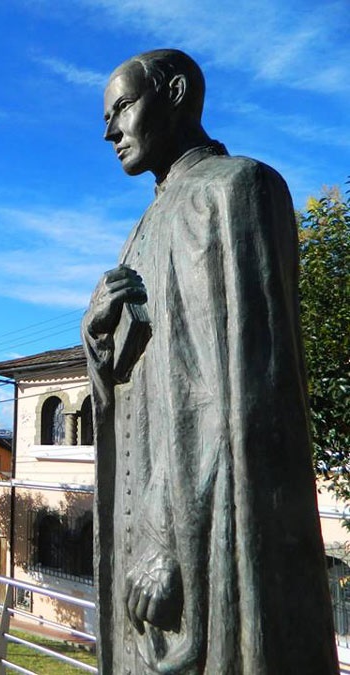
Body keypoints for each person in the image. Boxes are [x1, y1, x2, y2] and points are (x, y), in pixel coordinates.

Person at [82, 49, 338, 673]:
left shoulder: (237, 191)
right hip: (145, 529)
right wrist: (95, 336)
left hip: (196, 539)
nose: (109, 131)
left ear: (173, 93)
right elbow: (136, 384)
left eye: (122, 109)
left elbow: (247, 393)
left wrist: (173, 539)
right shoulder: (144, 226)